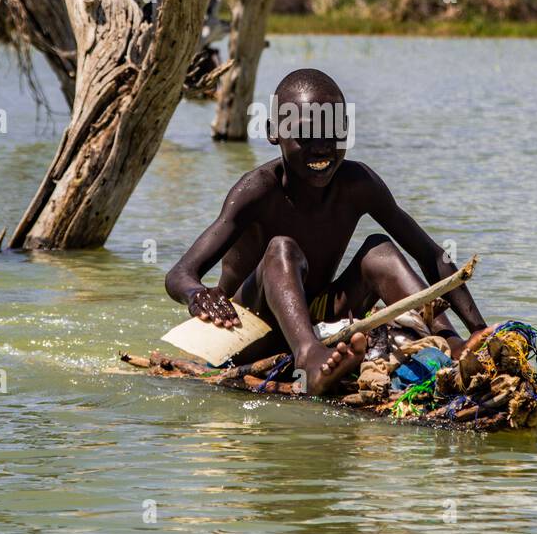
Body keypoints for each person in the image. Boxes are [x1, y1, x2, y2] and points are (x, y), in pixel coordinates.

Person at [165, 68, 489, 395]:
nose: (321, 148)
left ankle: (452, 345)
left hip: (315, 319)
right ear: (274, 133)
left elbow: (431, 254)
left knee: (381, 251)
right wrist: (197, 295)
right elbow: (180, 273)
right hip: (247, 333)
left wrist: (479, 328)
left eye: (332, 133)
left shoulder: (358, 185)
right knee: (282, 248)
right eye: (305, 135)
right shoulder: (257, 191)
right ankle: (309, 356)